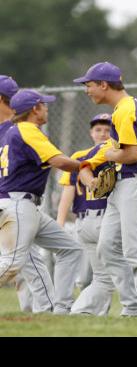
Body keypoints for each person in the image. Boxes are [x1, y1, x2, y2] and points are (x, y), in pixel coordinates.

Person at [74, 62, 137, 317]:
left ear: (104, 85)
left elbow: (133, 154)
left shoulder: (125, 110)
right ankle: (134, 306)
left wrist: (113, 154)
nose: (87, 90)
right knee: (107, 246)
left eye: (89, 85)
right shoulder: (136, 105)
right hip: (127, 185)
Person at [0, 89, 84, 314]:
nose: (47, 108)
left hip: (24, 205)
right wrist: (87, 165)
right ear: (35, 109)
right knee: (13, 262)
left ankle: (58, 310)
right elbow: (61, 162)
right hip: (17, 204)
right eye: (43, 105)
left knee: (70, 249)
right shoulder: (28, 130)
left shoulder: (12, 131)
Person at [0, 78, 56, 314]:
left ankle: (41, 310)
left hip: (16, 201)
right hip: (12, 203)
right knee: (18, 261)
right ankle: (43, 309)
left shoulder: (16, 130)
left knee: (25, 261)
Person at [55, 114, 115, 316]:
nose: (103, 133)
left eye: (107, 130)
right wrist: (60, 223)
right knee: (99, 276)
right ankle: (86, 310)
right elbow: (68, 191)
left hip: (96, 221)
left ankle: (95, 314)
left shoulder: (111, 153)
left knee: (101, 275)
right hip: (93, 220)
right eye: (98, 129)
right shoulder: (82, 156)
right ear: (91, 132)